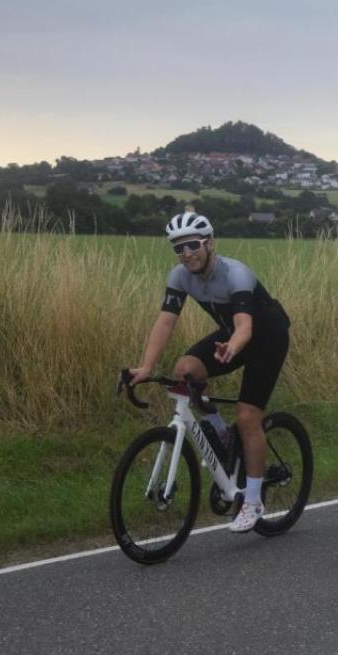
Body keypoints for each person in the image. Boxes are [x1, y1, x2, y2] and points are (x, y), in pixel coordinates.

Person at [129, 211, 291, 532]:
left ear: (209, 243)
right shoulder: (180, 276)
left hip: (267, 338)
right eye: (179, 248)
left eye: (192, 245)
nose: (187, 254)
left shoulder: (236, 274)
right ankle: (220, 430)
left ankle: (253, 500)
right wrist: (146, 366)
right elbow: (165, 322)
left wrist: (233, 346)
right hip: (232, 336)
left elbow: (245, 325)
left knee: (248, 417)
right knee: (185, 369)